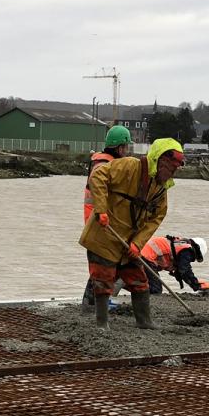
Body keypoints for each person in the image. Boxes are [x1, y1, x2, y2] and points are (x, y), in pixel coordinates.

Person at [80, 138, 186, 329]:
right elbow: (98, 176)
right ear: (159, 160)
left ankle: (144, 322)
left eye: (175, 169)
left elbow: (156, 218)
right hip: (105, 234)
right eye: (170, 167)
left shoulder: (161, 189)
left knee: (139, 280)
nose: (172, 172)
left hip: (128, 243)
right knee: (103, 281)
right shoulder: (129, 166)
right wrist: (101, 209)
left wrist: (138, 243)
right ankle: (101, 324)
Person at [81, 126, 134, 310]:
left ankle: (95, 301)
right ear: (120, 148)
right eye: (126, 147)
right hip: (99, 219)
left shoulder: (102, 161)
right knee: (103, 262)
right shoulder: (104, 165)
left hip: (98, 217)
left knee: (104, 262)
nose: (127, 151)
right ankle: (92, 302)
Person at [140, 235, 209, 295]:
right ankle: (147, 308)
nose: (192, 259)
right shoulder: (187, 250)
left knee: (142, 285)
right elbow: (185, 270)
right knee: (155, 289)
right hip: (145, 257)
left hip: (139, 254)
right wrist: (197, 285)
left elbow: (180, 268)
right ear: (197, 250)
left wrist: (179, 272)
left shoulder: (178, 244)